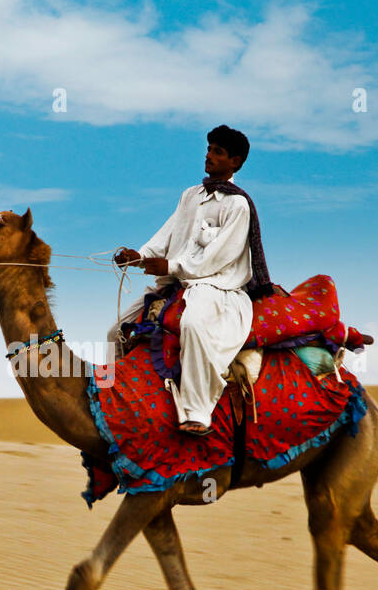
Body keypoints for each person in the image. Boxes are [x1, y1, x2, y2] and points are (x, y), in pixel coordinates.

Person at [110, 125, 275, 435]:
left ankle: (197, 411)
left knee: (193, 326)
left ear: (235, 162)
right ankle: (113, 394)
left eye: (218, 152)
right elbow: (168, 234)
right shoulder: (190, 195)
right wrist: (140, 255)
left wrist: (169, 264)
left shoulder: (238, 205)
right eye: (209, 149)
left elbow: (215, 259)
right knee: (117, 329)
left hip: (217, 287)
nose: (209, 156)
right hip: (177, 283)